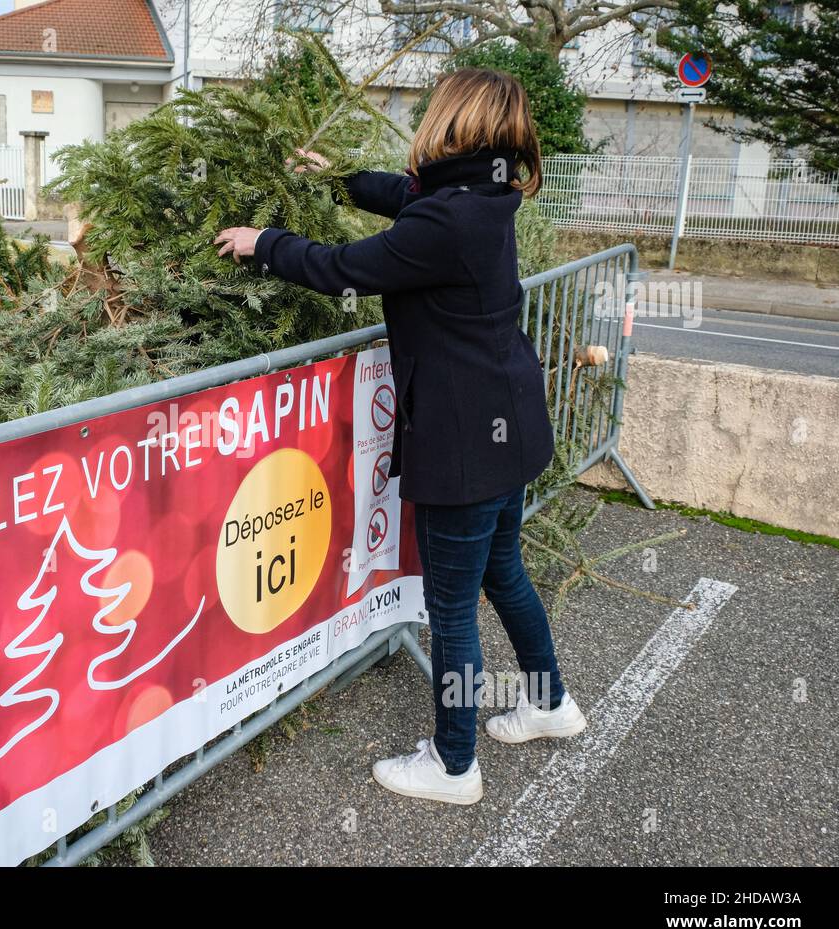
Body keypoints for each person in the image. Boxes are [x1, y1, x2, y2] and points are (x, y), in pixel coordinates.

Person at [214, 68, 587, 806]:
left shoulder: (446, 222)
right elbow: (410, 195)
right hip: (507, 432)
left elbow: (341, 267)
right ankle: (550, 704)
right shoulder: (487, 194)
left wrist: (265, 241)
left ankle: (454, 765)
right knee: (504, 573)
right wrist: (342, 178)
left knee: (451, 610)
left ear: (453, 120)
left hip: (462, 447)